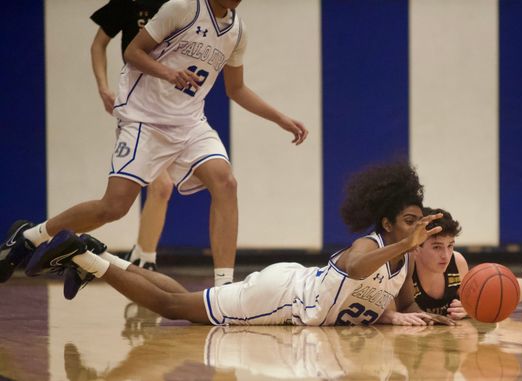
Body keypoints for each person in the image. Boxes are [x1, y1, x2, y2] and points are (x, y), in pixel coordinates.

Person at [0, 0, 308, 291]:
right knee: (114, 207)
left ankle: (224, 288)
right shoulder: (181, 8)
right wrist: (168, 73)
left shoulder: (238, 31)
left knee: (225, 182)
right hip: (144, 119)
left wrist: (279, 117)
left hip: (189, 122)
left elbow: (236, 89)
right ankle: (30, 236)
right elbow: (133, 52)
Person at [14, 162, 453, 327]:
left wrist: (418, 317)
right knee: (176, 311)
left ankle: (96, 254)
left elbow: (404, 300)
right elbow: (358, 269)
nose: (415, 230)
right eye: (407, 222)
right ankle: (84, 257)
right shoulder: (370, 245)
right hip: (282, 298)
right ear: (386, 222)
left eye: (419, 222)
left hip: (290, 291)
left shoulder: (404, 263)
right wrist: (405, 245)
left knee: (184, 299)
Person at [90, 0, 169, 272]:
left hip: (172, 108)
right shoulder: (127, 4)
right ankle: (41, 237)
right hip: (136, 106)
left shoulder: (180, 5)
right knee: (140, 193)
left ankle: (143, 256)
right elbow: (98, 44)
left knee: (164, 187)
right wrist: (103, 87)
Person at [384, 207, 522, 322]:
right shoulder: (402, 267)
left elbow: (473, 300)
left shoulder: (457, 262)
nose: (445, 255)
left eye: (450, 246)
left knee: (496, 289)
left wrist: (470, 309)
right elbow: (383, 312)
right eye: (436, 247)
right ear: (417, 247)